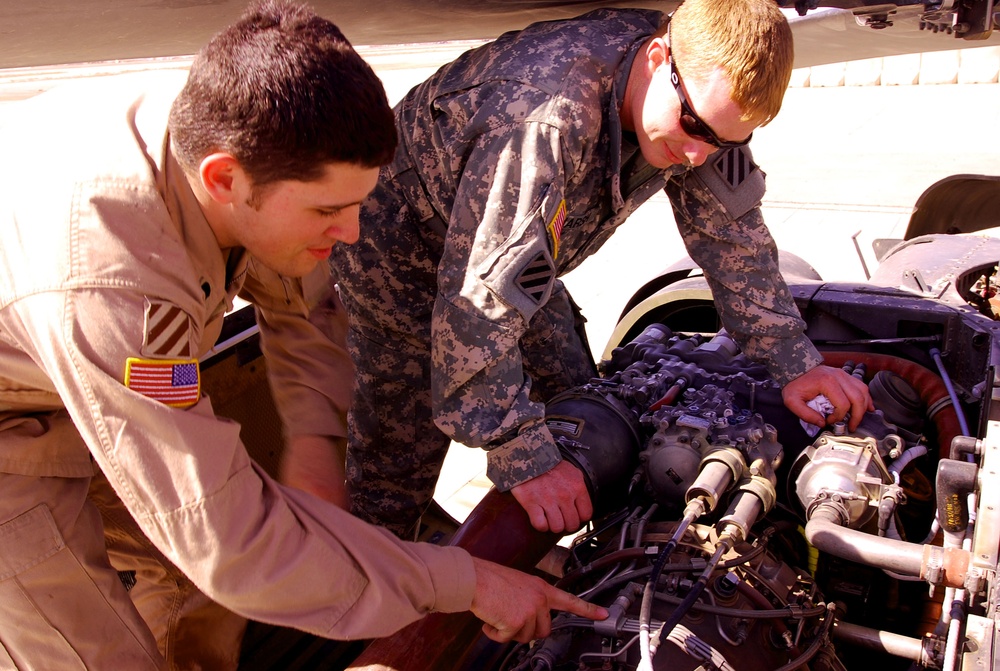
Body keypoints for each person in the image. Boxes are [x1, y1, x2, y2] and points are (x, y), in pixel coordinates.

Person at [0, 2, 606, 669]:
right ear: (223, 179)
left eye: (357, 204)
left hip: (68, 358)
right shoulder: (115, 287)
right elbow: (230, 543)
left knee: (206, 596)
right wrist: (466, 581)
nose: (349, 233)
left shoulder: (239, 121)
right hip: (15, 428)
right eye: (327, 210)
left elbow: (299, 302)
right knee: (98, 652)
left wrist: (314, 445)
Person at [327, 0, 875, 539]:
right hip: (396, 244)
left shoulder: (696, 106)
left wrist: (794, 362)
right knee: (404, 441)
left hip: (505, 245)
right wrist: (522, 454)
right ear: (659, 58)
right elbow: (478, 308)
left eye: (725, 141)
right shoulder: (545, 121)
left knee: (585, 404)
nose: (697, 156)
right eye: (694, 128)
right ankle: (371, 573)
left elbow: (733, 235)